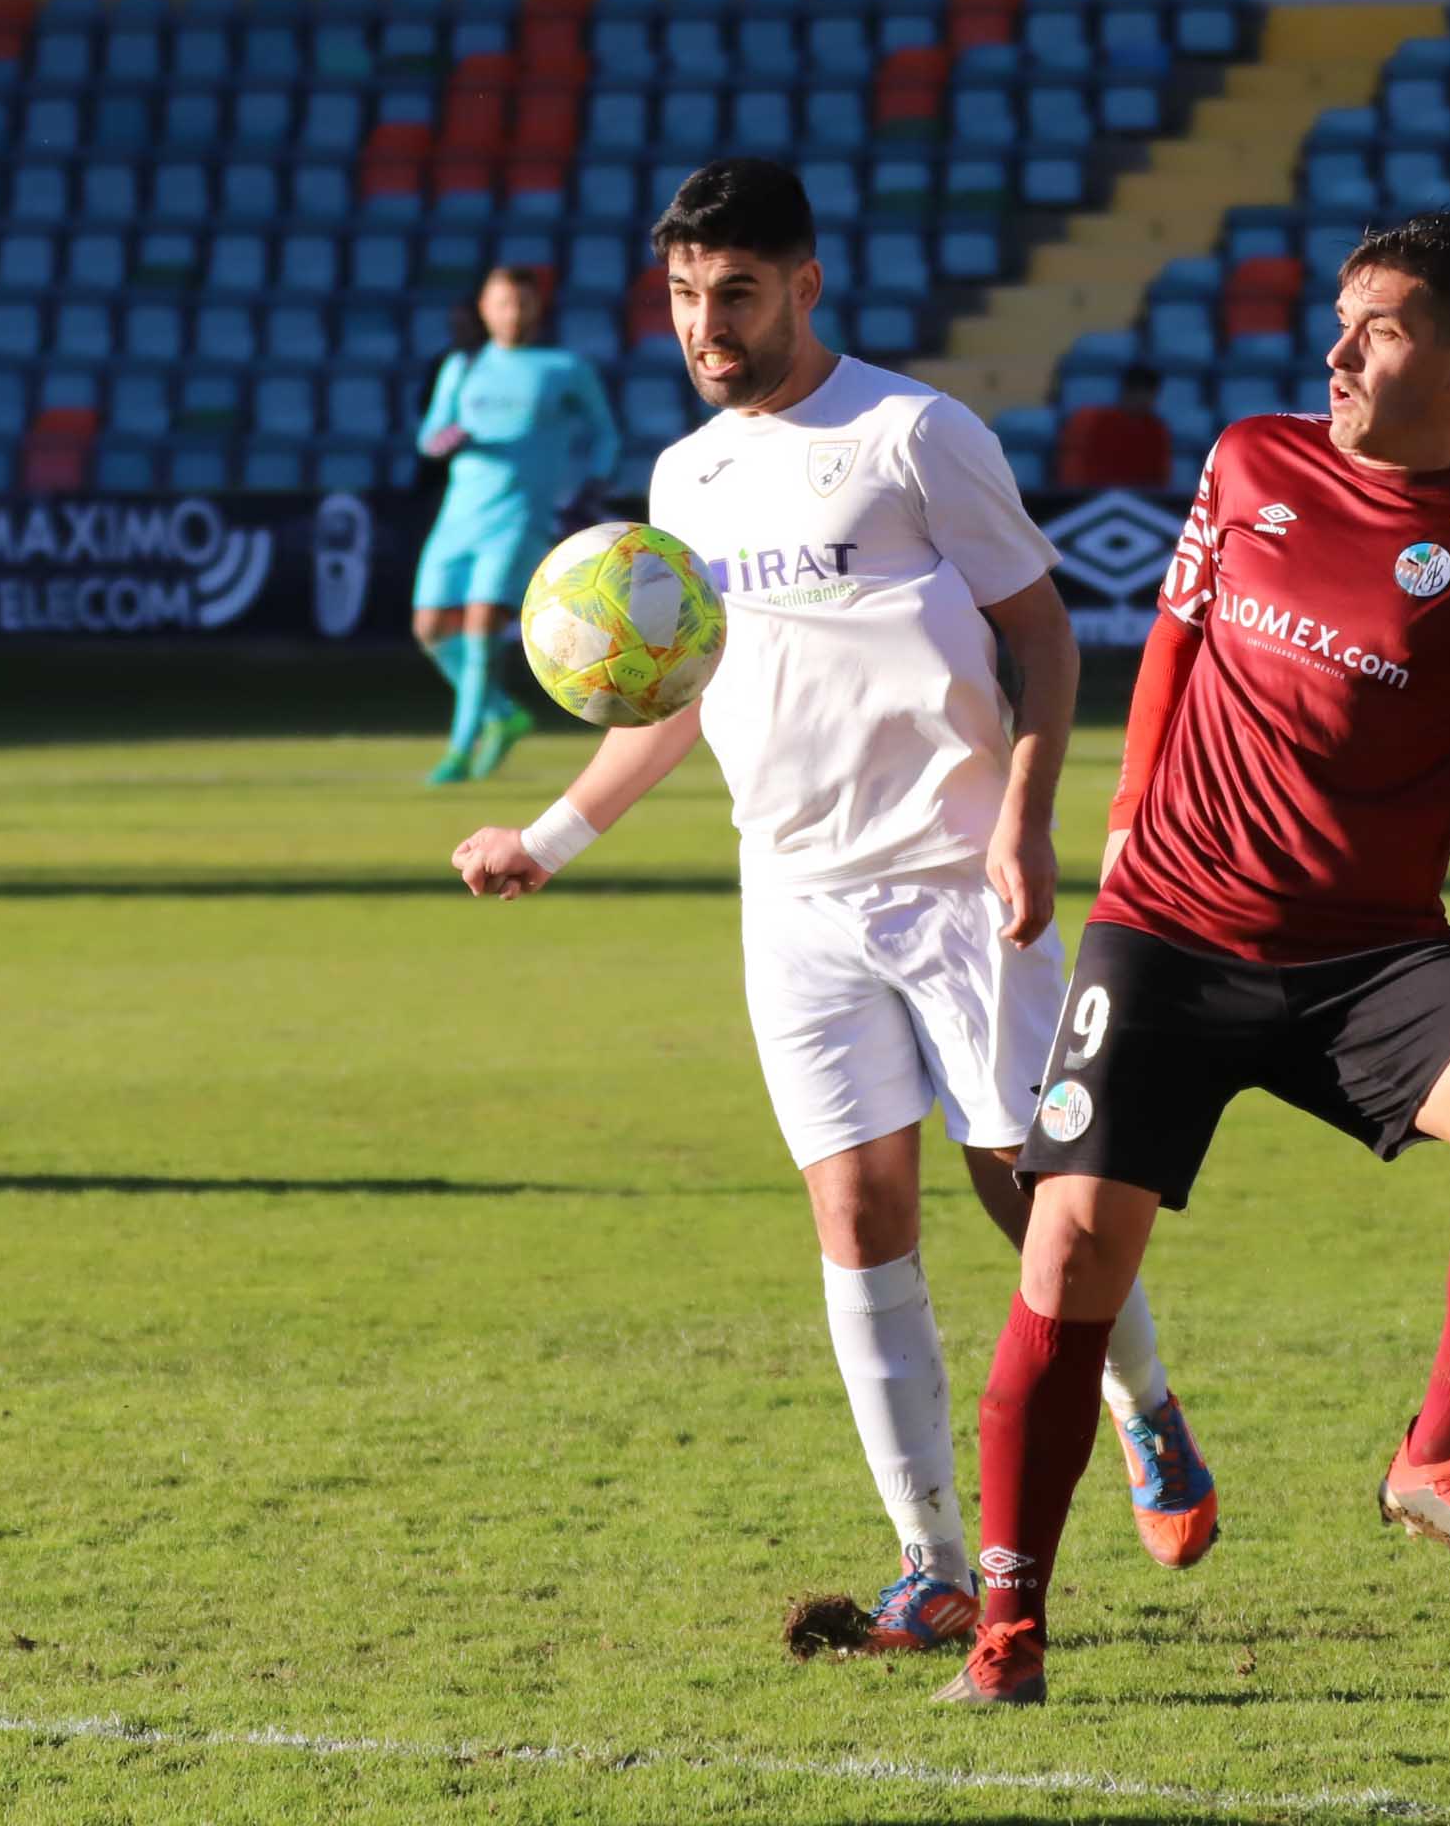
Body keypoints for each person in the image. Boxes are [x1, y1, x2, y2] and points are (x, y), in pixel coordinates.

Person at [934, 211, 1450, 1709]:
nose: (1338, 352)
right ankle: (1008, 1631)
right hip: (1169, 930)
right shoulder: (1249, 461)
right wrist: (1124, 816)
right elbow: (1174, 643)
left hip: (1369, 956)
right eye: (1341, 320)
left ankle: (1437, 1453)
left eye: (1381, 329)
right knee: (1068, 1253)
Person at [448, 158, 1218, 1655]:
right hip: (793, 898)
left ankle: (1144, 1400)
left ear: (804, 285)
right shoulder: (685, 481)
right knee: (857, 1214)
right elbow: (675, 700)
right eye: (685, 295)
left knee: (1028, 1188)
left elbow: (1045, 639)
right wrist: (550, 837)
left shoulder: (913, 434)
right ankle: (931, 1562)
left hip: (957, 880)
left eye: (736, 292)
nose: (706, 324)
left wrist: (1025, 817)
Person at [411, 267, 623, 785]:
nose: (513, 313)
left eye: (523, 302)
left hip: (519, 516)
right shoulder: (463, 366)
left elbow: (606, 433)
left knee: (482, 623)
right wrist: (444, 441)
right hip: (459, 516)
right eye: (503, 302)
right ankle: (502, 714)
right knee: (430, 629)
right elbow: (429, 436)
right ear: (485, 309)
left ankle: (459, 751)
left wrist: (592, 484)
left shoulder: (563, 368)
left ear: (538, 307)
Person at [1053, 364, 1172, 493]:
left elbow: (1160, 477)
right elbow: (1085, 471)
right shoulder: (1101, 423)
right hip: (1100, 494)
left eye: (1151, 394)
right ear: (1127, 392)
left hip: (1142, 497)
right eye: (1141, 393)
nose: (1146, 400)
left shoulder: (1157, 430)